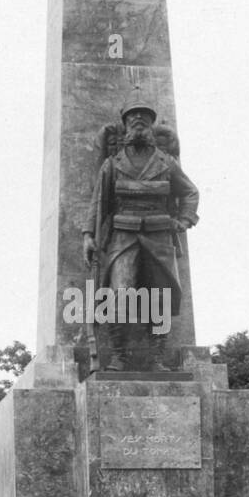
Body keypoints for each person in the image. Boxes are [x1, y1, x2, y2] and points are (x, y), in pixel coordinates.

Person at [83, 102, 199, 370]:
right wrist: (88, 235)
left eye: (144, 117)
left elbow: (190, 192)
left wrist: (185, 219)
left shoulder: (166, 162)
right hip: (124, 236)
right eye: (132, 117)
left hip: (159, 235)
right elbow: (98, 202)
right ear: (125, 125)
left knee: (160, 297)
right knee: (119, 294)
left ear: (151, 126)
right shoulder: (112, 164)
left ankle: (157, 358)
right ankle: (119, 356)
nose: (138, 120)